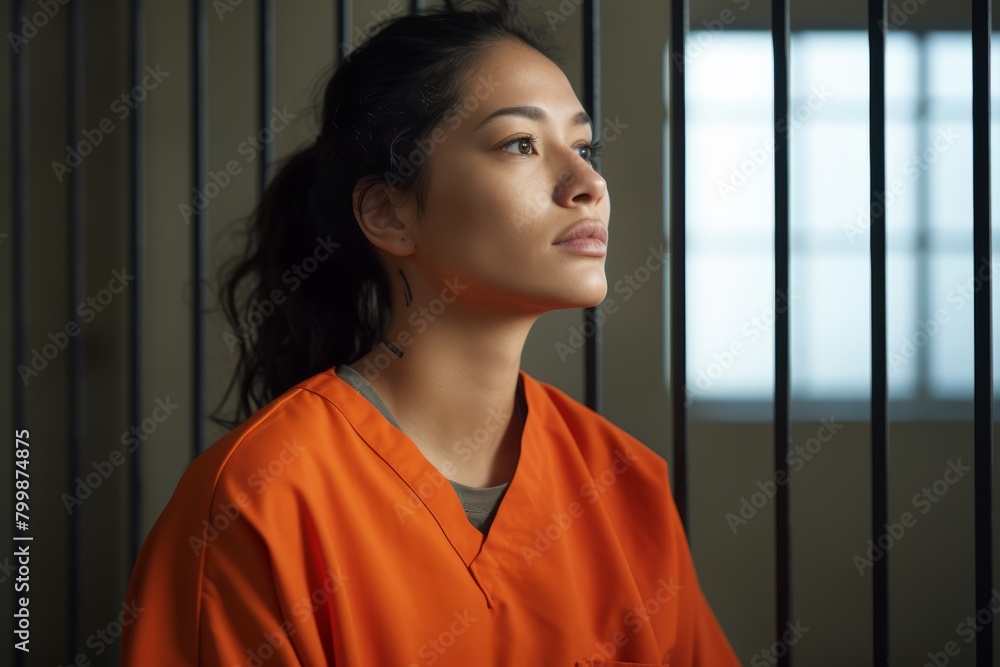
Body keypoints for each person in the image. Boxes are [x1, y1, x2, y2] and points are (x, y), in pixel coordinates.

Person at [120, 1, 742, 665]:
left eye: (585, 147)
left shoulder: (626, 483)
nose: (588, 183)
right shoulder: (260, 498)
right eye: (520, 145)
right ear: (390, 214)